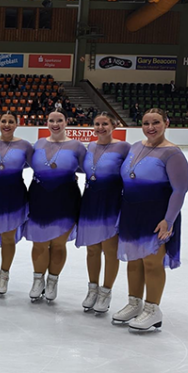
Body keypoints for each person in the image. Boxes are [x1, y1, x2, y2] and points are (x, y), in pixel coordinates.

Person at [113, 108, 188, 332]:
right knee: (134, 260)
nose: (151, 127)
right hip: (131, 211)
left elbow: (180, 190)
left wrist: (168, 220)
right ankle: (134, 303)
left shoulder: (172, 153)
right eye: (146, 123)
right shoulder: (136, 146)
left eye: (156, 122)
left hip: (156, 215)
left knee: (152, 262)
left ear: (166, 123)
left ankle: (153, 309)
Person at [25, 108, 86, 302]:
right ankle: (37, 279)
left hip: (65, 197)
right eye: (51, 120)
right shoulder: (39, 143)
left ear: (66, 122)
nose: (55, 124)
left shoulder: (76, 146)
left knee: (58, 243)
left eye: (59, 120)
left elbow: (90, 168)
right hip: (39, 195)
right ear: (47, 122)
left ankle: (52, 280)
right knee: (39, 241)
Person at [75, 112, 130, 313]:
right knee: (92, 249)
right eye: (97, 124)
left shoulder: (123, 147)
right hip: (90, 201)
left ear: (113, 125)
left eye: (104, 124)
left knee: (109, 249)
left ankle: (106, 291)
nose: (100, 127)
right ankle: (92, 288)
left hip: (111, 202)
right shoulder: (89, 147)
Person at [0, 111, 33, 294]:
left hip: (14, 194)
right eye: (3, 121)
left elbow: (37, 165)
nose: (7, 124)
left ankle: (4, 274)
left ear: (17, 124)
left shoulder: (24, 145)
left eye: (11, 121)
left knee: (9, 237)